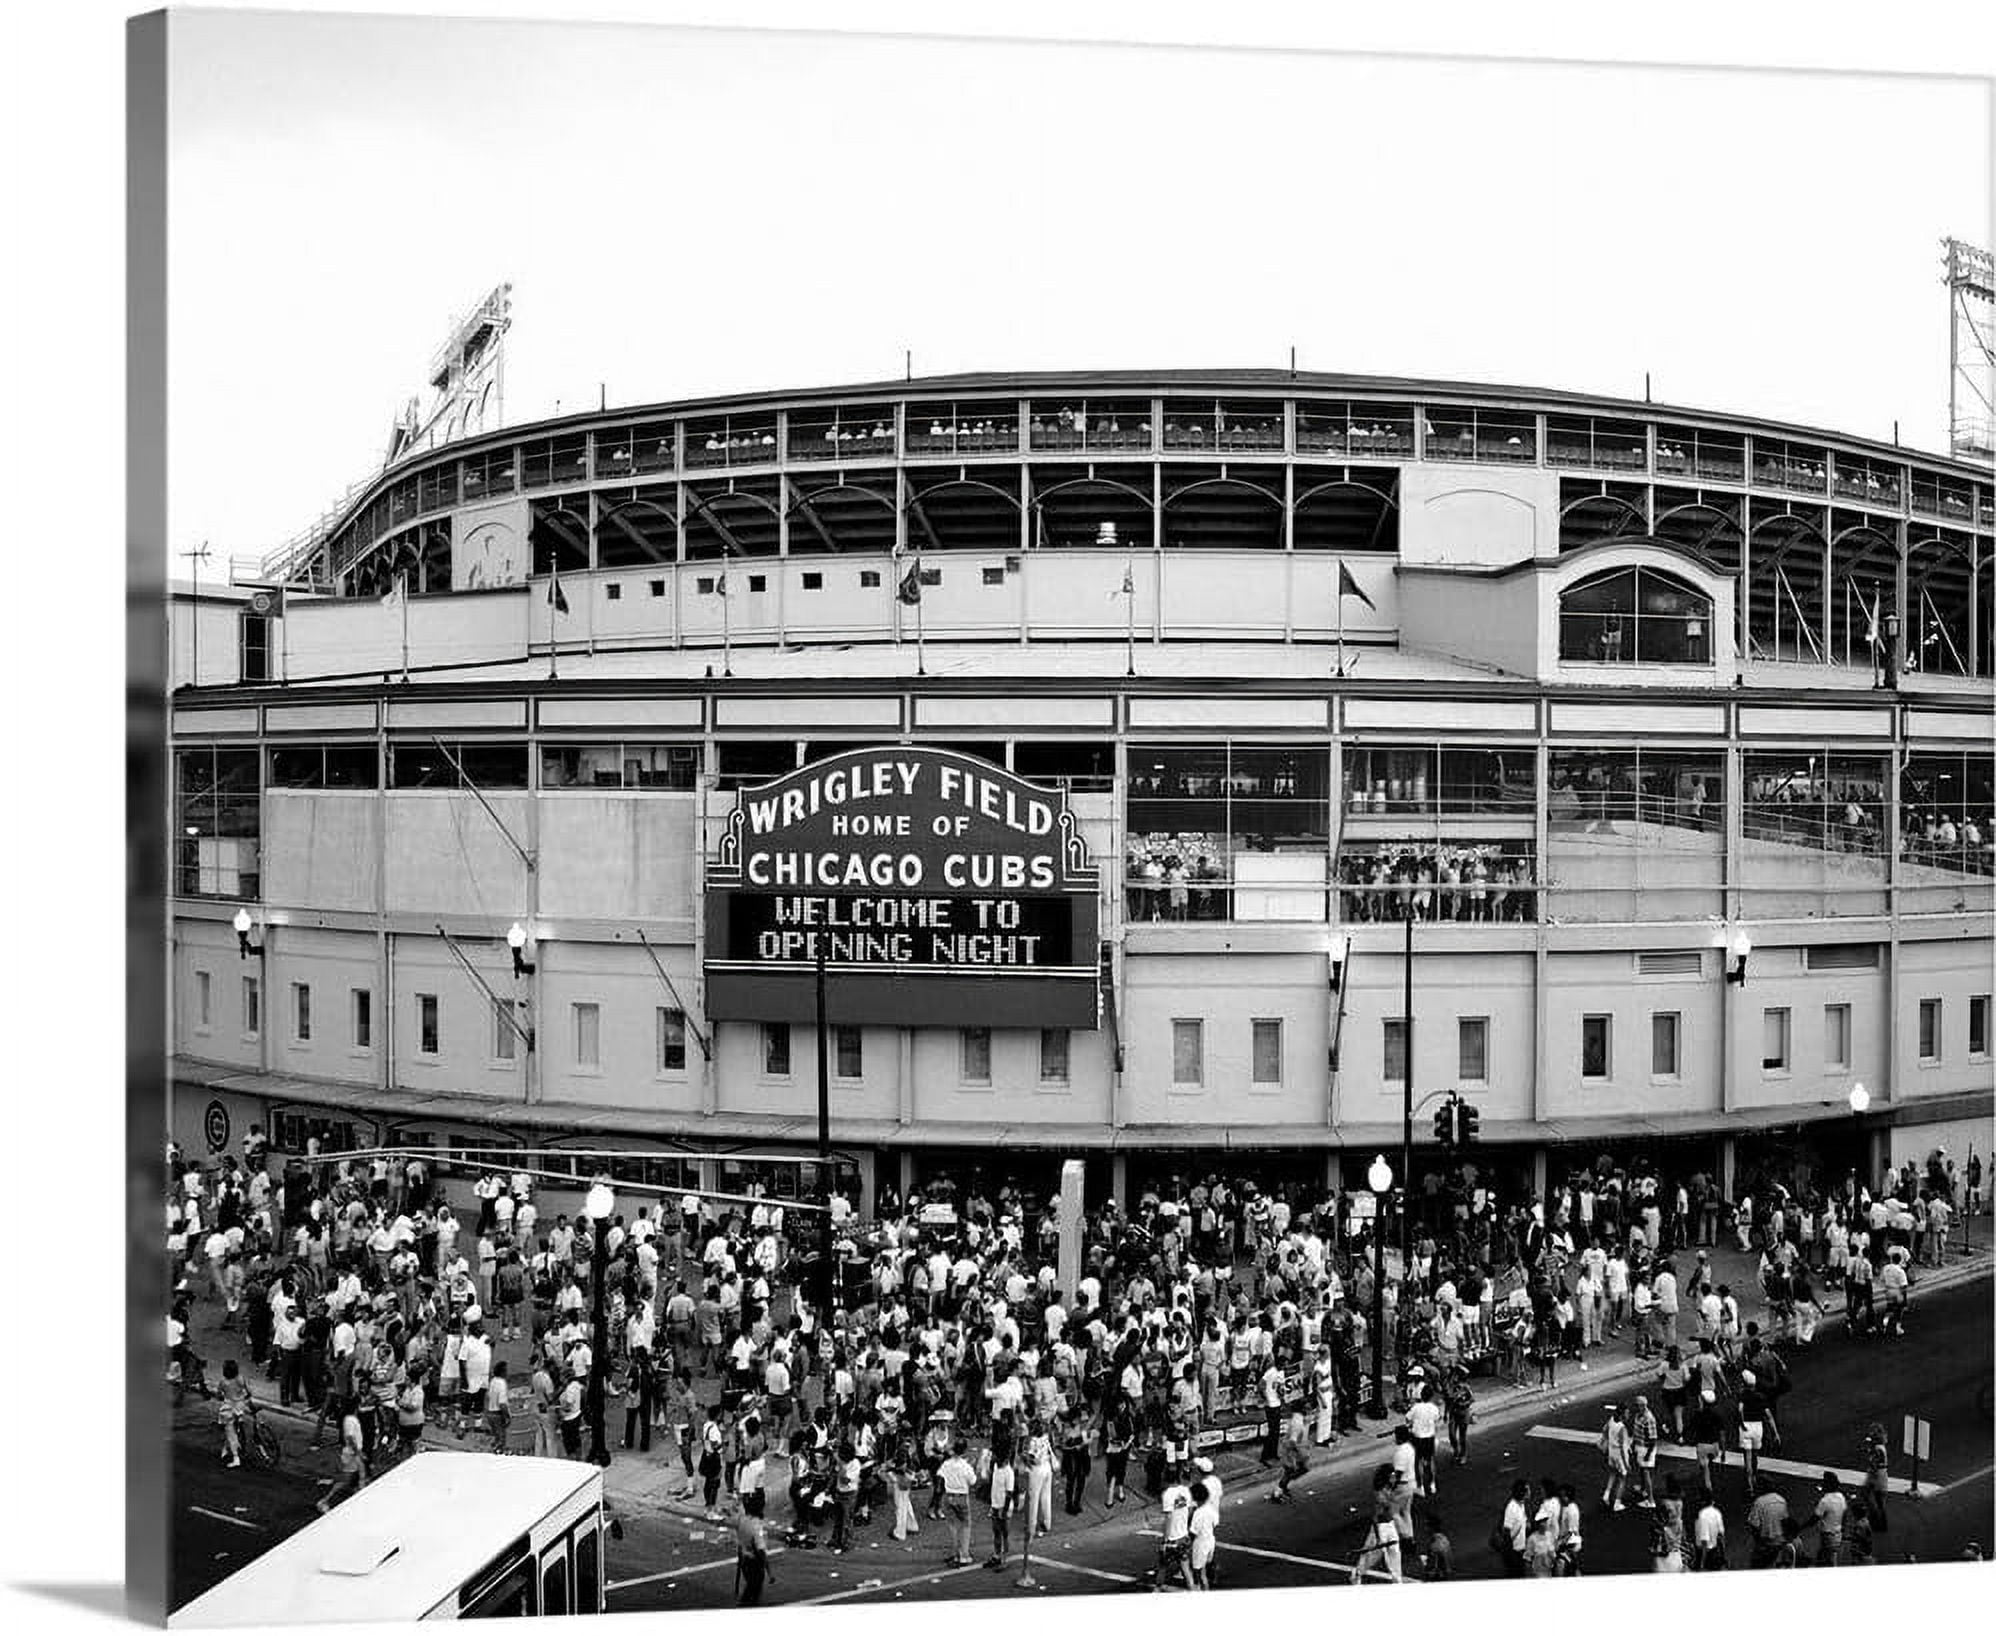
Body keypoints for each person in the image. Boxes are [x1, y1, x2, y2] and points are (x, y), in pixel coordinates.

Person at [317, 1402, 368, 1514]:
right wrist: (358, 1452)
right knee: (345, 1480)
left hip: (353, 1453)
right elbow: (350, 1437)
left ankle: (359, 1497)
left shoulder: (350, 1418)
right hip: (352, 1454)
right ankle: (324, 1501)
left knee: (361, 1476)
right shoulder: (350, 1420)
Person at [936, 1438, 978, 1566]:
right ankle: (964, 1555)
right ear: (964, 1451)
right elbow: (973, 1481)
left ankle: (955, 1554)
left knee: (952, 1526)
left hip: (948, 1496)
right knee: (965, 1526)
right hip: (962, 1497)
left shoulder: (946, 1464)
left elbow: (939, 1476)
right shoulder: (966, 1466)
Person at [734, 1491, 773, 1606]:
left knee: (750, 1586)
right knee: (753, 1590)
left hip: (744, 1560)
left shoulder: (742, 1519)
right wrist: (769, 1572)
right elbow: (761, 1551)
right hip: (754, 1563)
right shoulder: (756, 1527)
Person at [215, 1359, 253, 1469]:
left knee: (230, 1432)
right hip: (240, 1407)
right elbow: (249, 1392)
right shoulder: (240, 1379)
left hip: (228, 1408)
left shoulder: (223, 1382)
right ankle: (226, 1448)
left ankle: (236, 1458)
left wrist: (223, 1397)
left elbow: (218, 1395)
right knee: (234, 1429)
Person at [1600, 1403, 1632, 1512]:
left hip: (1611, 1452)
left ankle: (1606, 1494)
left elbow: (1604, 1430)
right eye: (1627, 1413)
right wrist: (1626, 1463)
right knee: (1622, 1478)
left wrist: (1604, 1442)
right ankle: (1617, 1503)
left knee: (1612, 1474)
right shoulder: (1622, 1428)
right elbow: (1623, 1448)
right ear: (1623, 1414)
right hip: (1619, 1455)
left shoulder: (1611, 1420)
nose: (1628, 1415)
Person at [1811, 1472, 1848, 1567]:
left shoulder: (1825, 1500)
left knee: (1827, 1562)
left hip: (1827, 1537)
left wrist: (1800, 1527)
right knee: (1829, 1559)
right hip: (1837, 1535)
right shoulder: (1841, 1497)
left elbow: (1814, 1518)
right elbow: (1845, 1514)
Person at [1690, 1487, 1727, 1571]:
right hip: (1715, 1553)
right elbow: (1721, 1536)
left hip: (1705, 1555)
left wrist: (1702, 1564)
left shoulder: (1702, 1515)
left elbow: (1704, 1541)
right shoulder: (1717, 1512)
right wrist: (1723, 1555)